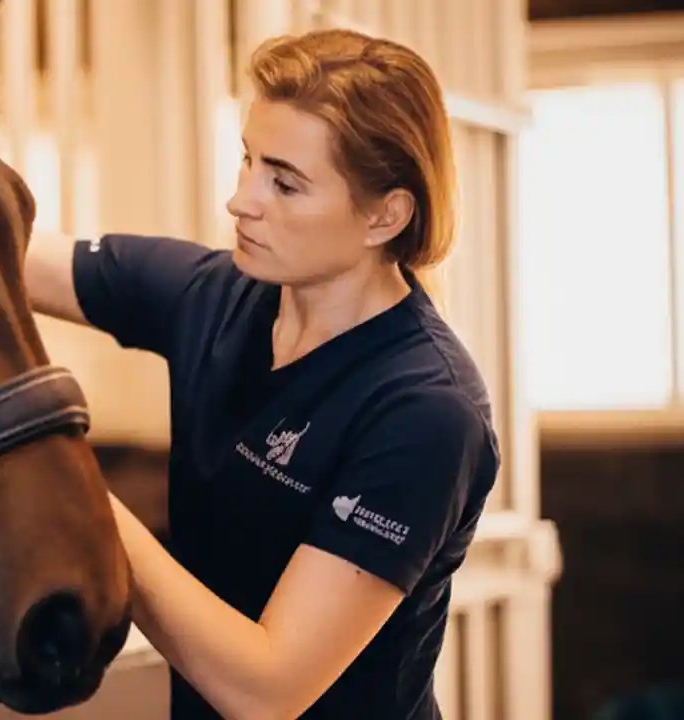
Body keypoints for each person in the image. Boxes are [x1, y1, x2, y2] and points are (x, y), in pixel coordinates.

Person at [26, 28, 500, 720]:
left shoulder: (426, 409)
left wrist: (74, 494)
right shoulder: (215, 296)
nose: (241, 200)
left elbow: (267, 691)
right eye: (247, 160)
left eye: (284, 182)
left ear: (384, 215)